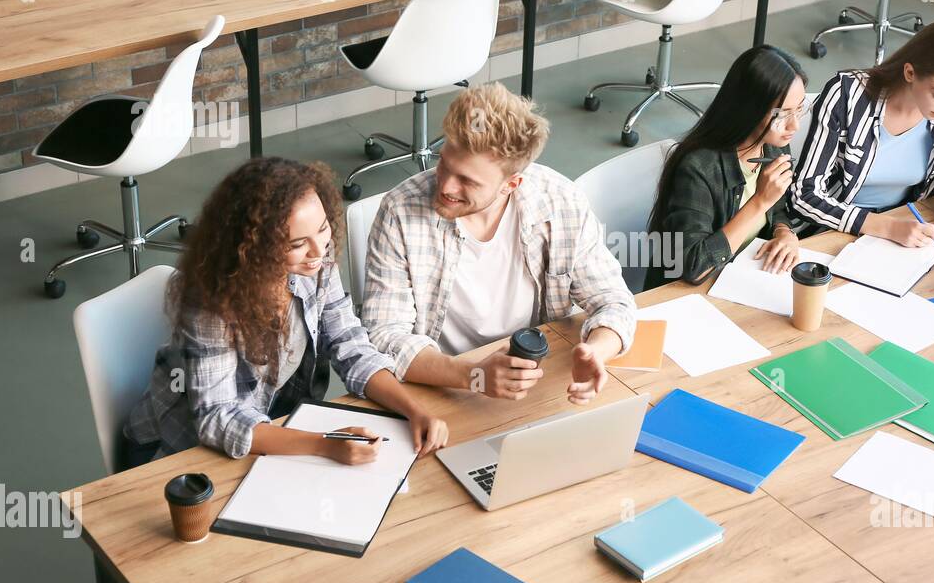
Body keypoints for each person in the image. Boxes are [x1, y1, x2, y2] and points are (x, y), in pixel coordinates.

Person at [123, 157, 448, 468]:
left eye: (323, 228)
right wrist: (323, 445)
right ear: (252, 246)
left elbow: (351, 347)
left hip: (274, 427)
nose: (319, 251)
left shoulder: (316, 260)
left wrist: (413, 411)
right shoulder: (211, 301)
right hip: (178, 451)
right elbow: (218, 417)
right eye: (296, 244)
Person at [363, 82, 636, 405]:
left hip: (537, 383)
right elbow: (385, 337)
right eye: (444, 164)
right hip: (441, 384)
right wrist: (474, 375)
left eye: (467, 180)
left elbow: (614, 300)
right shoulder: (400, 212)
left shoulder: (560, 201)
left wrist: (597, 351)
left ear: (512, 184)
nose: (446, 185)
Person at [790, 19, 934, 293]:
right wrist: (885, 227)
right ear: (911, 72)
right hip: (833, 231)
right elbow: (804, 194)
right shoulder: (847, 94)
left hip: (906, 240)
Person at [644, 44, 809, 290]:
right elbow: (693, 267)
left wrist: (785, 233)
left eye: (799, 108)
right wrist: (759, 202)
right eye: (783, 114)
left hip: (741, 282)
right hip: (686, 295)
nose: (794, 125)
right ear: (749, 110)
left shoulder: (773, 145)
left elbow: (778, 206)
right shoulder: (697, 167)